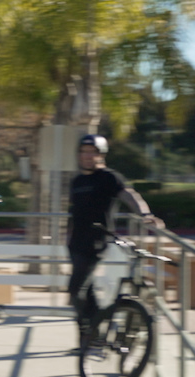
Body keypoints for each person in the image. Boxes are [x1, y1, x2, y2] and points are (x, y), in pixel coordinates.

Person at [68, 134, 163, 349]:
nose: (87, 156)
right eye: (84, 152)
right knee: (85, 290)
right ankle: (91, 334)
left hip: (97, 241)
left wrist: (145, 215)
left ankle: (92, 331)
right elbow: (74, 212)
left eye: (92, 152)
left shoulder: (108, 177)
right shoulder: (76, 181)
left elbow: (129, 195)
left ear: (101, 155)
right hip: (76, 243)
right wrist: (68, 237)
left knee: (75, 289)